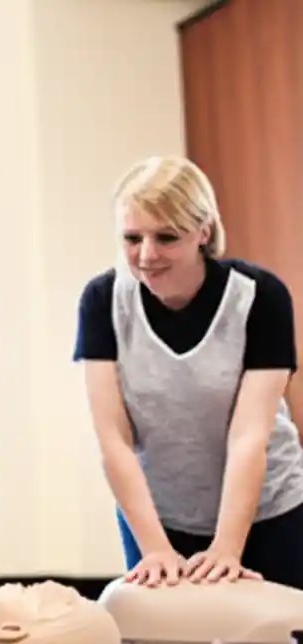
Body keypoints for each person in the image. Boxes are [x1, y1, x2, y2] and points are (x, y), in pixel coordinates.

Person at [75, 155, 303, 590]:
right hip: (157, 515)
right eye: (132, 238)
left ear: (204, 232)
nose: (146, 255)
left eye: (166, 237)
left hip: (267, 513)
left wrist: (227, 549)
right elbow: (114, 439)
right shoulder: (102, 300)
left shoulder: (260, 297)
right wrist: (155, 548)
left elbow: (249, 435)